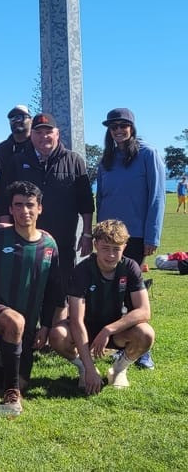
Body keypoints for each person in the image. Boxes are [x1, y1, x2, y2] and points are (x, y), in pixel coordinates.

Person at [0, 181, 65, 414]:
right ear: (11, 209)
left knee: (20, 379)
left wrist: (47, 326)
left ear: (40, 208)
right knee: (14, 322)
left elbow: (54, 290)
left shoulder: (49, 244)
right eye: (18, 205)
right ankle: (12, 396)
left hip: (30, 324)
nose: (25, 211)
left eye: (30, 205)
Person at [49, 220, 155, 394]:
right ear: (95, 244)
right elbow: (76, 321)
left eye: (116, 249)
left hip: (116, 331)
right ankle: (84, 367)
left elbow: (144, 311)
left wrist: (108, 330)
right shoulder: (82, 271)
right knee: (57, 335)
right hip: (85, 329)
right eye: (105, 248)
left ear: (125, 247)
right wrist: (89, 368)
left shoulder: (130, 267)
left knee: (146, 333)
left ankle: (119, 369)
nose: (111, 255)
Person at [95, 108, 165, 369]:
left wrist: (151, 234)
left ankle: (142, 350)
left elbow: (157, 197)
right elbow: (100, 198)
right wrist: (98, 232)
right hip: (107, 236)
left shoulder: (148, 154)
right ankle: (119, 342)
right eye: (113, 127)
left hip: (134, 236)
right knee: (113, 290)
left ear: (132, 128)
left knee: (134, 291)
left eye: (123, 125)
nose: (118, 130)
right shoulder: (106, 160)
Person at [0, 113, 94, 288]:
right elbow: (3, 200)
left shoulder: (74, 161)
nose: (44, 137)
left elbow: (86, 201)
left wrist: (87, 233)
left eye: (48, 132)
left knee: (60, 291)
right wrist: (6, 229)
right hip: (24, 241)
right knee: (25, 287)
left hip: (62, 242)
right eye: (38, 132)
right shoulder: (17, 161)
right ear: (31, 135)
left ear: (57, 134)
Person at [0, 105, 33, 212]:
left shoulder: (38, 147)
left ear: (31, 120)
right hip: (7, 212)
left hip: (33, 210)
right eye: (12, 118)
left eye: (21, 117)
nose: (16, 121)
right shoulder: (1, 149)